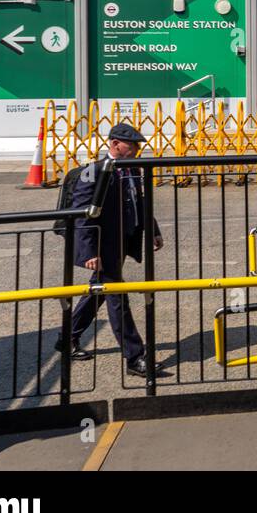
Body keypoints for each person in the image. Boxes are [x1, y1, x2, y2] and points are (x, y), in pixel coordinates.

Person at [59, 122, 165, 379]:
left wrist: (152, 229)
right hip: (102, 245)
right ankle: (134, 356)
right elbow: (83, 214)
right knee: (118, 295)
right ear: (115, 144)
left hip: (121, 240)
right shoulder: (94, 172)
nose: (136, 151)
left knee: (99, 291)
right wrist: (88, 253)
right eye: (132, 146)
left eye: (138, 146)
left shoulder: (131, 171)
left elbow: (140, 202)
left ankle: (67, 338)